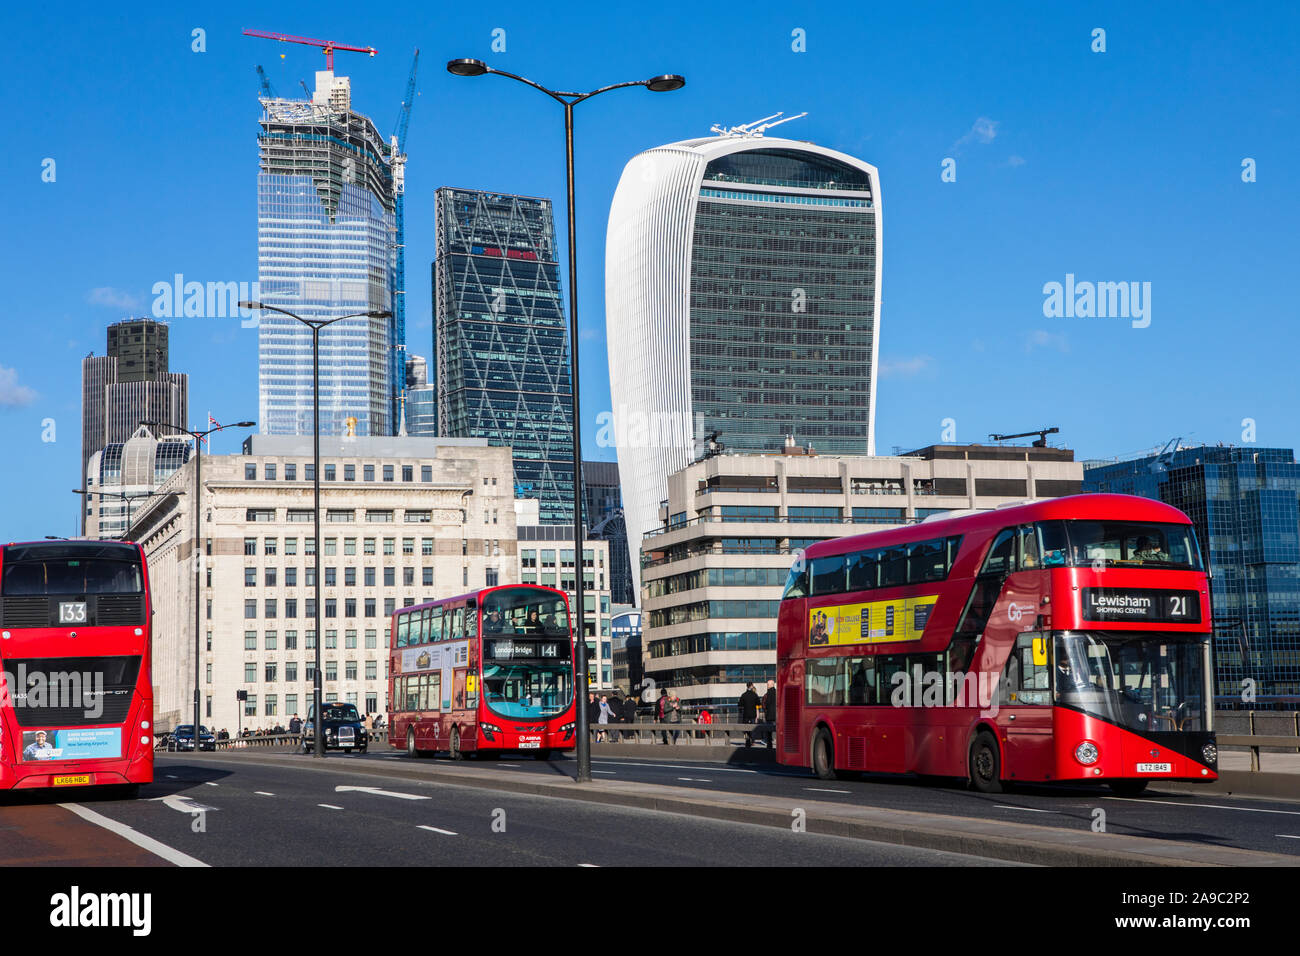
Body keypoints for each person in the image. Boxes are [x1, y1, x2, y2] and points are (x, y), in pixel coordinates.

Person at [738, 682, 761, 748]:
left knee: (746, 728)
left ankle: (747, 740)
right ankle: (752, 741)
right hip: (753, 714)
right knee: (753, 727)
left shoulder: (744, 695)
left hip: (746, 714)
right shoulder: (754, 695)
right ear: (751, 686)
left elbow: (740, 704)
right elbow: (758, 703)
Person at [762, 679, 777, 747]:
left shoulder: (767, 694)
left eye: (768, 684)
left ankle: (769, 744)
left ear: (771, 685)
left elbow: (765, 704)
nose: (767, 686)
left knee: (769, 731)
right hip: (777, 715)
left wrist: (766, 711)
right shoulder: (778, 693)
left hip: (769, 716)